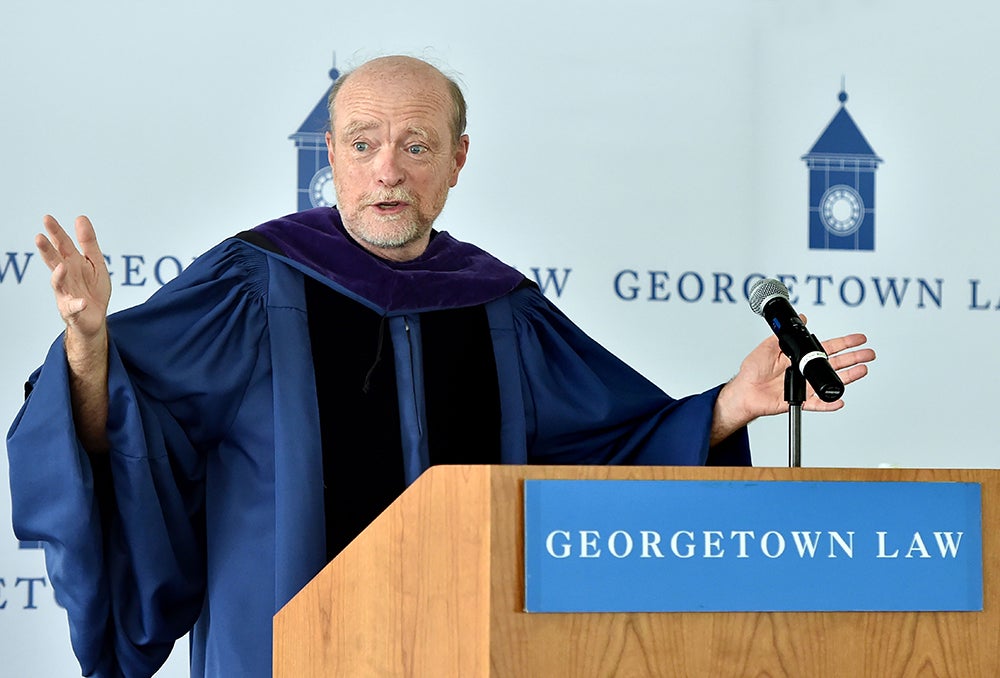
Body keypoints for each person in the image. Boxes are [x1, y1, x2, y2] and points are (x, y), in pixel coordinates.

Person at [7, 55, 874, 678]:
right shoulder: (251, 285)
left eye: (417, 145)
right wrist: (88, 343)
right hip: (280, 657)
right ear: (331, 158)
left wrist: (730, 404)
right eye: (363, 142)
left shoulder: (500, 308)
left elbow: (607, 447)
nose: (388, 169)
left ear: (458, 161)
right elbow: (122, 426)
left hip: (466, 655)